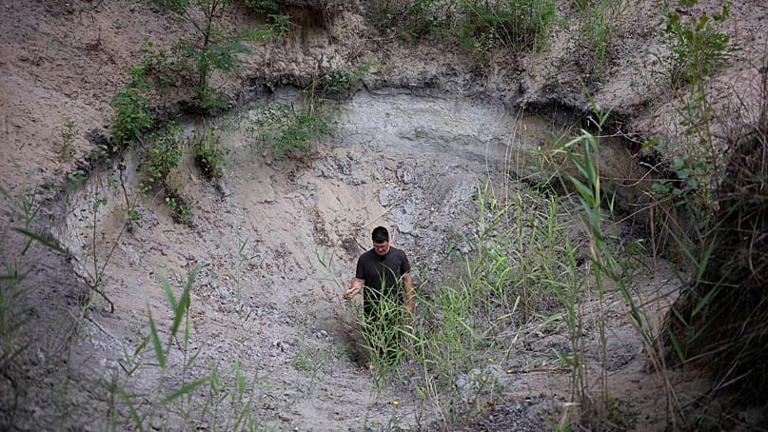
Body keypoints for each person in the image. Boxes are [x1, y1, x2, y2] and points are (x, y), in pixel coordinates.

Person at [343, 226, 413, 363]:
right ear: (373, 243)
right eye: (377, 247)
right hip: (372, 308)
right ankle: (378, 364)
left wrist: (409, 303)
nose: (380, 249)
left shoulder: (399, 255)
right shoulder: (364, 259)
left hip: (394, 306)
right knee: (374, 339)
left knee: (394, 340)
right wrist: (352, 290)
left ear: (388, 242)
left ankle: (393, 366)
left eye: (383, 246)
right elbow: (359, 280)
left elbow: (407, 279)